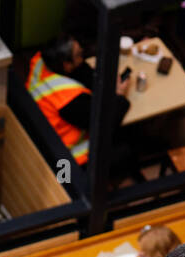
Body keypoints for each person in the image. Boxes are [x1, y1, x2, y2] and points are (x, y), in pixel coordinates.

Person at [27, 34, 132, 167]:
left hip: (43, 133)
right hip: (68, 161)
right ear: (66, 65)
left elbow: (81, 70)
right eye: (79, 54)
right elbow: (104, 123)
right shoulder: (69, 102)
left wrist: (102, 82)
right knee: (126, 149)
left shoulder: (41, 60)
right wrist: (119, 94)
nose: (82, 54)